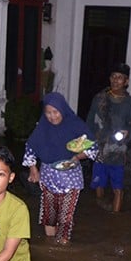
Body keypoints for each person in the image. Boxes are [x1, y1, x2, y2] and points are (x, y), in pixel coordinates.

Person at [23, 92, 97, 245]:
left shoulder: (75, 124)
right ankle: (50, 246)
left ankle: (62, 250)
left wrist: (77, 157)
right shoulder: (43, 127)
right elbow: (30, 147)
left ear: (62, 109)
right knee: (49, 216)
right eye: (48, 112)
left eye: (55, 112)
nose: (52, 116)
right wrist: (33, 169)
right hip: (48, 177)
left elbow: (93, 147)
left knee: (65, 217)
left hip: (70, 178)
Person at [86, 63, 131, 213]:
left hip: (118, 151)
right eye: (113, 77)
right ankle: (100, 213)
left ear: (126, 82)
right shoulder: (99, 99)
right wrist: (88, 142)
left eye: (120, 78)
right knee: (98, 183)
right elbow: (89, 121)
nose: (116, 80)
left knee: (118, 188)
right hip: (100, 149)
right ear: (110, 79)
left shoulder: (130, 102)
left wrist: (128, 133)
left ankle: (115, 221)